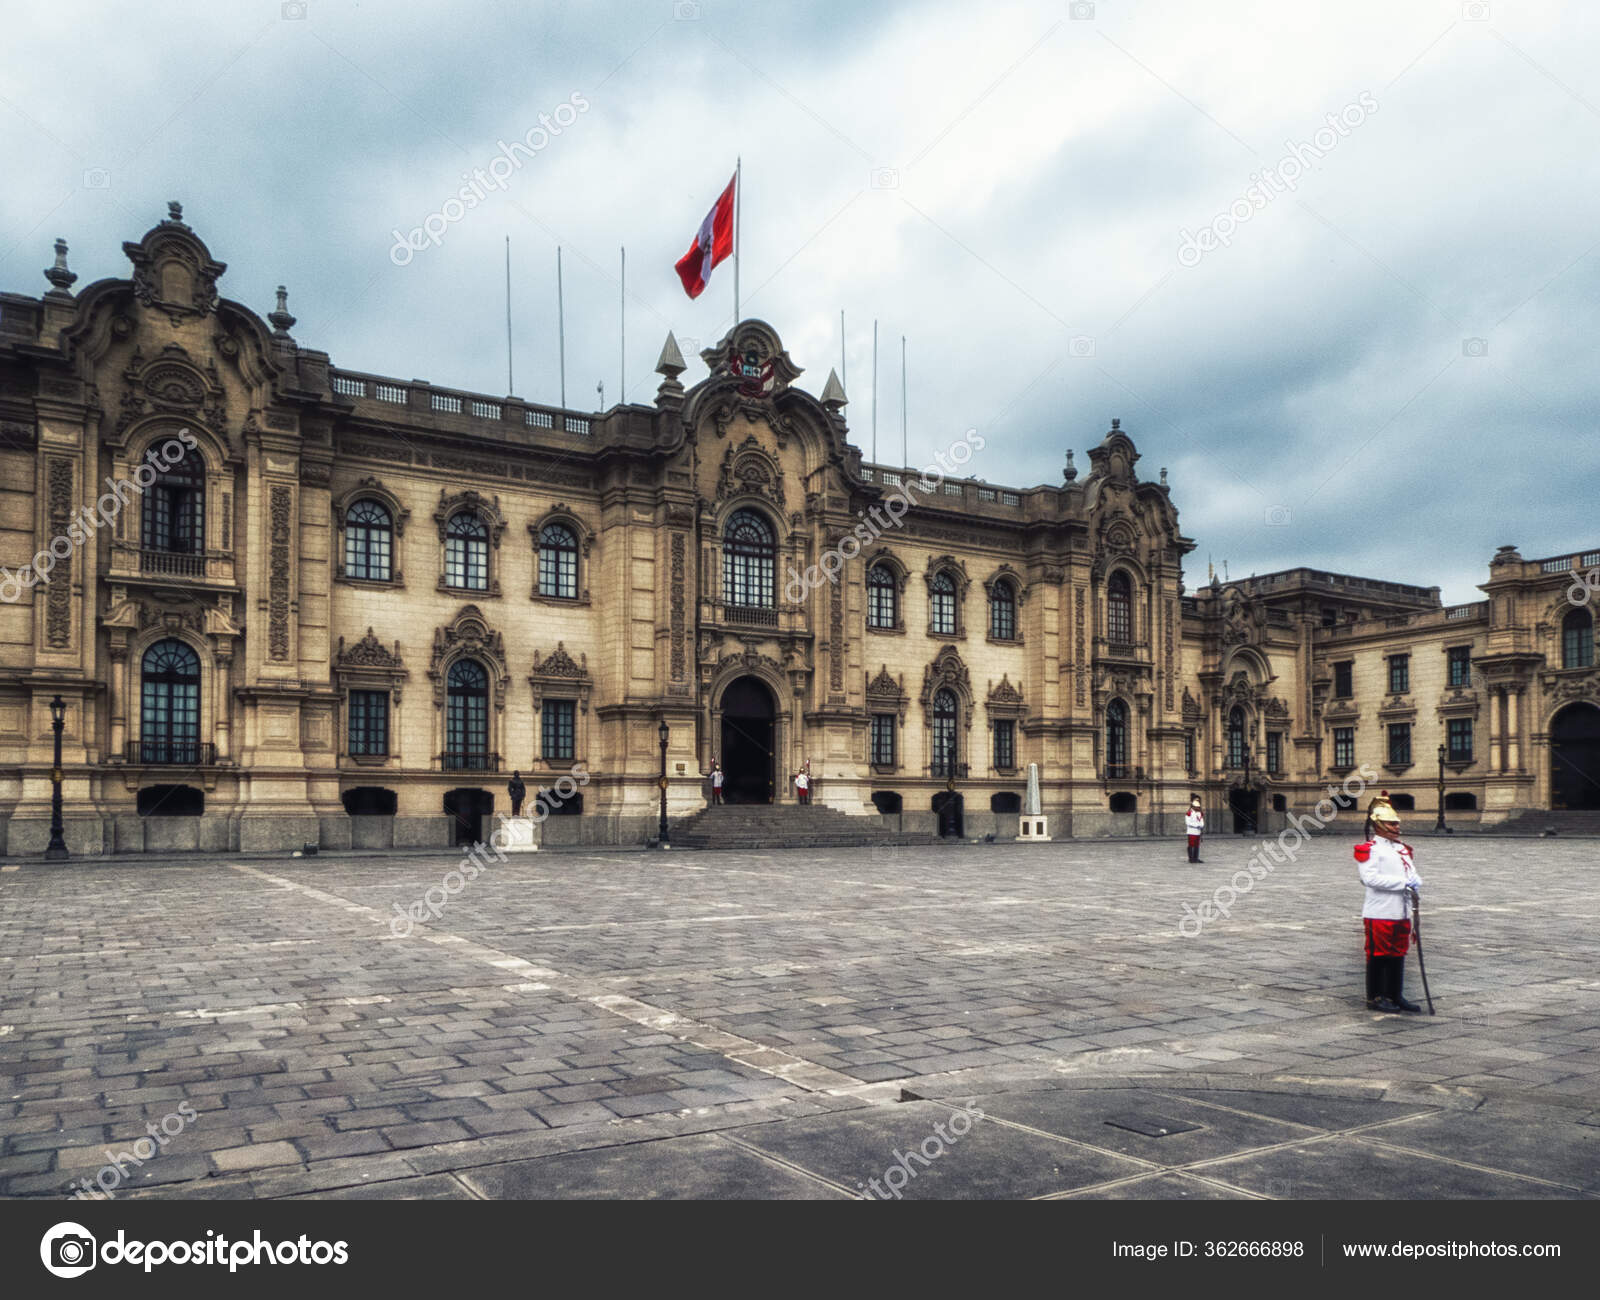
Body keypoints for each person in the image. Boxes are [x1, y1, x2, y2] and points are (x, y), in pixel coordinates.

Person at [1355, 795, 1423, 1013]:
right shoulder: (1370, 849)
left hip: (1401, 911)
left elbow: (1411, 872)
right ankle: (1375, 997)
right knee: (1378, 955)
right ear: (1379, 825)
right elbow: (1370, 879)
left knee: (1398, 953)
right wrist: (1403, 883)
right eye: (1392, 823)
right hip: (1380, 911)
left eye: (1397, 823)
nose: (1397, 827)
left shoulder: (1401, 848)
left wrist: (1416, 880)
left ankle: (1395, 994)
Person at [1184, 795, 1205, 863]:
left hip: (1198, 831)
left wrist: (1201, 825)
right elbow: (1188, 823)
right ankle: (1191, 858)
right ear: (1193, 807)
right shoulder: (1189, 813)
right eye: (1197, 807)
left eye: (1198, 807)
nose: (1198, 808)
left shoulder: (1200, 813)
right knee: (1191, 845)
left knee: (1197, 845)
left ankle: (1196, 858)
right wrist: (1196, 826)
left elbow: (1201, 821)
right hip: (1191, 831)